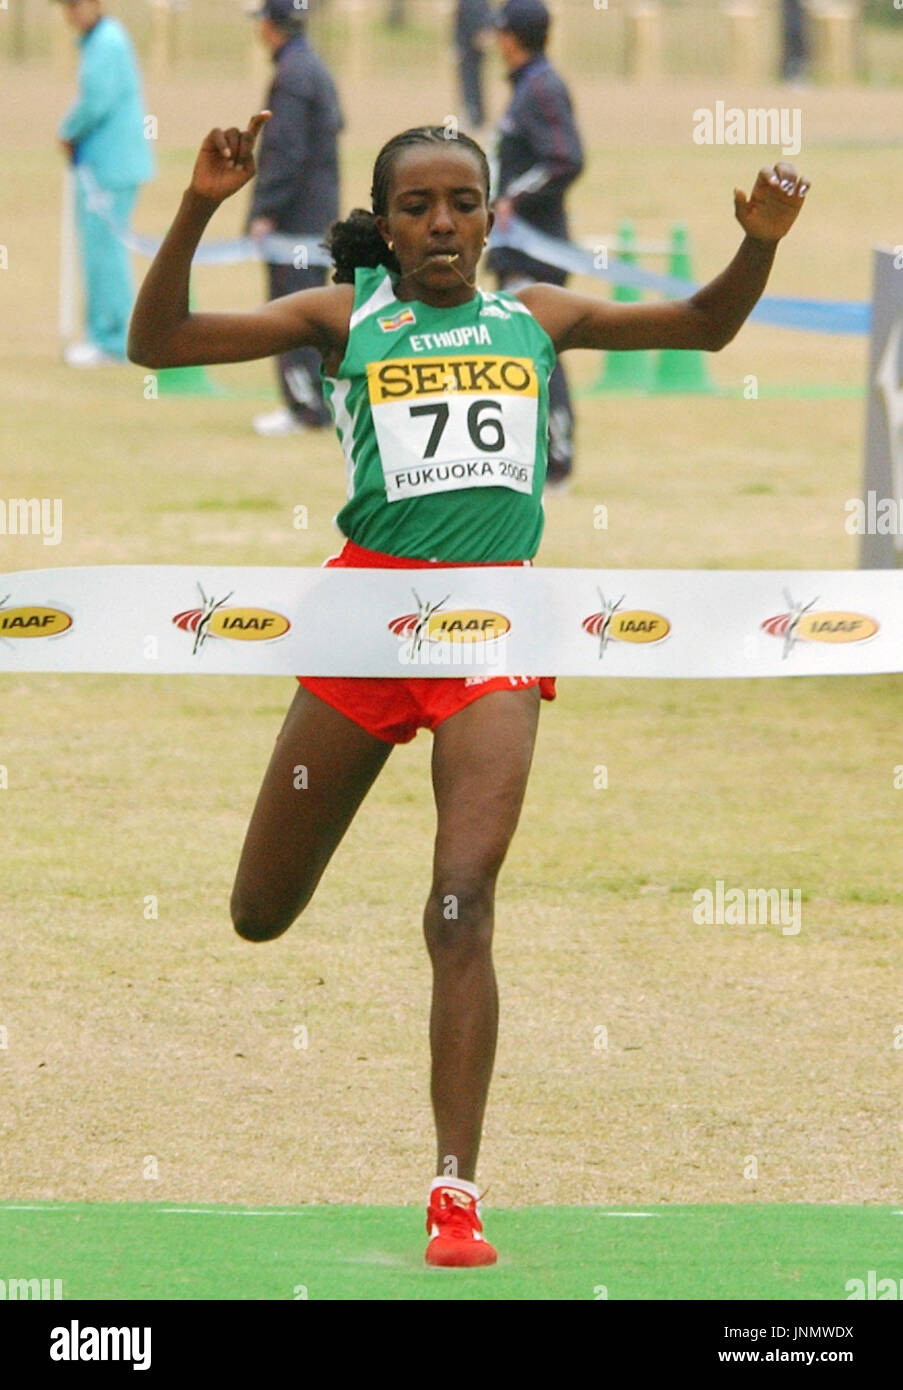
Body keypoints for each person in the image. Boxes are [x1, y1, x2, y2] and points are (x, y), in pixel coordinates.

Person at [128, 114, 808, 1265]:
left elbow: (705, 324)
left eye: (462, 202)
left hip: (497, 627)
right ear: (385, 229)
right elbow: (158, 342)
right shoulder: (346, 318)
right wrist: (198, 205)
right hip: (363, 625)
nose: (442, 224)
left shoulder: (536, 317)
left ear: (492, 215)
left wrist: (760, 244)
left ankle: (455, 1191)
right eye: (416, 207)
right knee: (258, 911)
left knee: (463, 897)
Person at [487, 0, 583, 492]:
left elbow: (566, 158)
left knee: (537, 349)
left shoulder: (542, 87)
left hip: (538, 250)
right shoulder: (525, 87)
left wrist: (513, 200)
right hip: (516, 250)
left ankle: (558, 457)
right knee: (517, 352)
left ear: (513, 37)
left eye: (500, 31)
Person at [246, 0, 344, 437]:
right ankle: (316, 404)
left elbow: (283, 152)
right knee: (313, 312)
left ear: (271, 26)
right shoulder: (315, 67)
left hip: (294, 221)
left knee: (289, 313)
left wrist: (265, 209)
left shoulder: (291, 77)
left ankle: (303, 407)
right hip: (318, 215)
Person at [54, 0, 154, 368]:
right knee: (100, 249)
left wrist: (66, 130)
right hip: (102, 164)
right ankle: (104, 333)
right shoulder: (98, 40)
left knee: (104, 251)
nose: (70, 14)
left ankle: (112, 339)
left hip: (111, 165)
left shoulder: (108, 40)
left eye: (75, 5)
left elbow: (96, 101)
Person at [454, 0, 494, 134]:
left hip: (469, 45)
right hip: (468, 44)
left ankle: (474, 114)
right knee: (473, 80)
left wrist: (483, 31)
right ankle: (477, 115)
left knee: (470, 81)